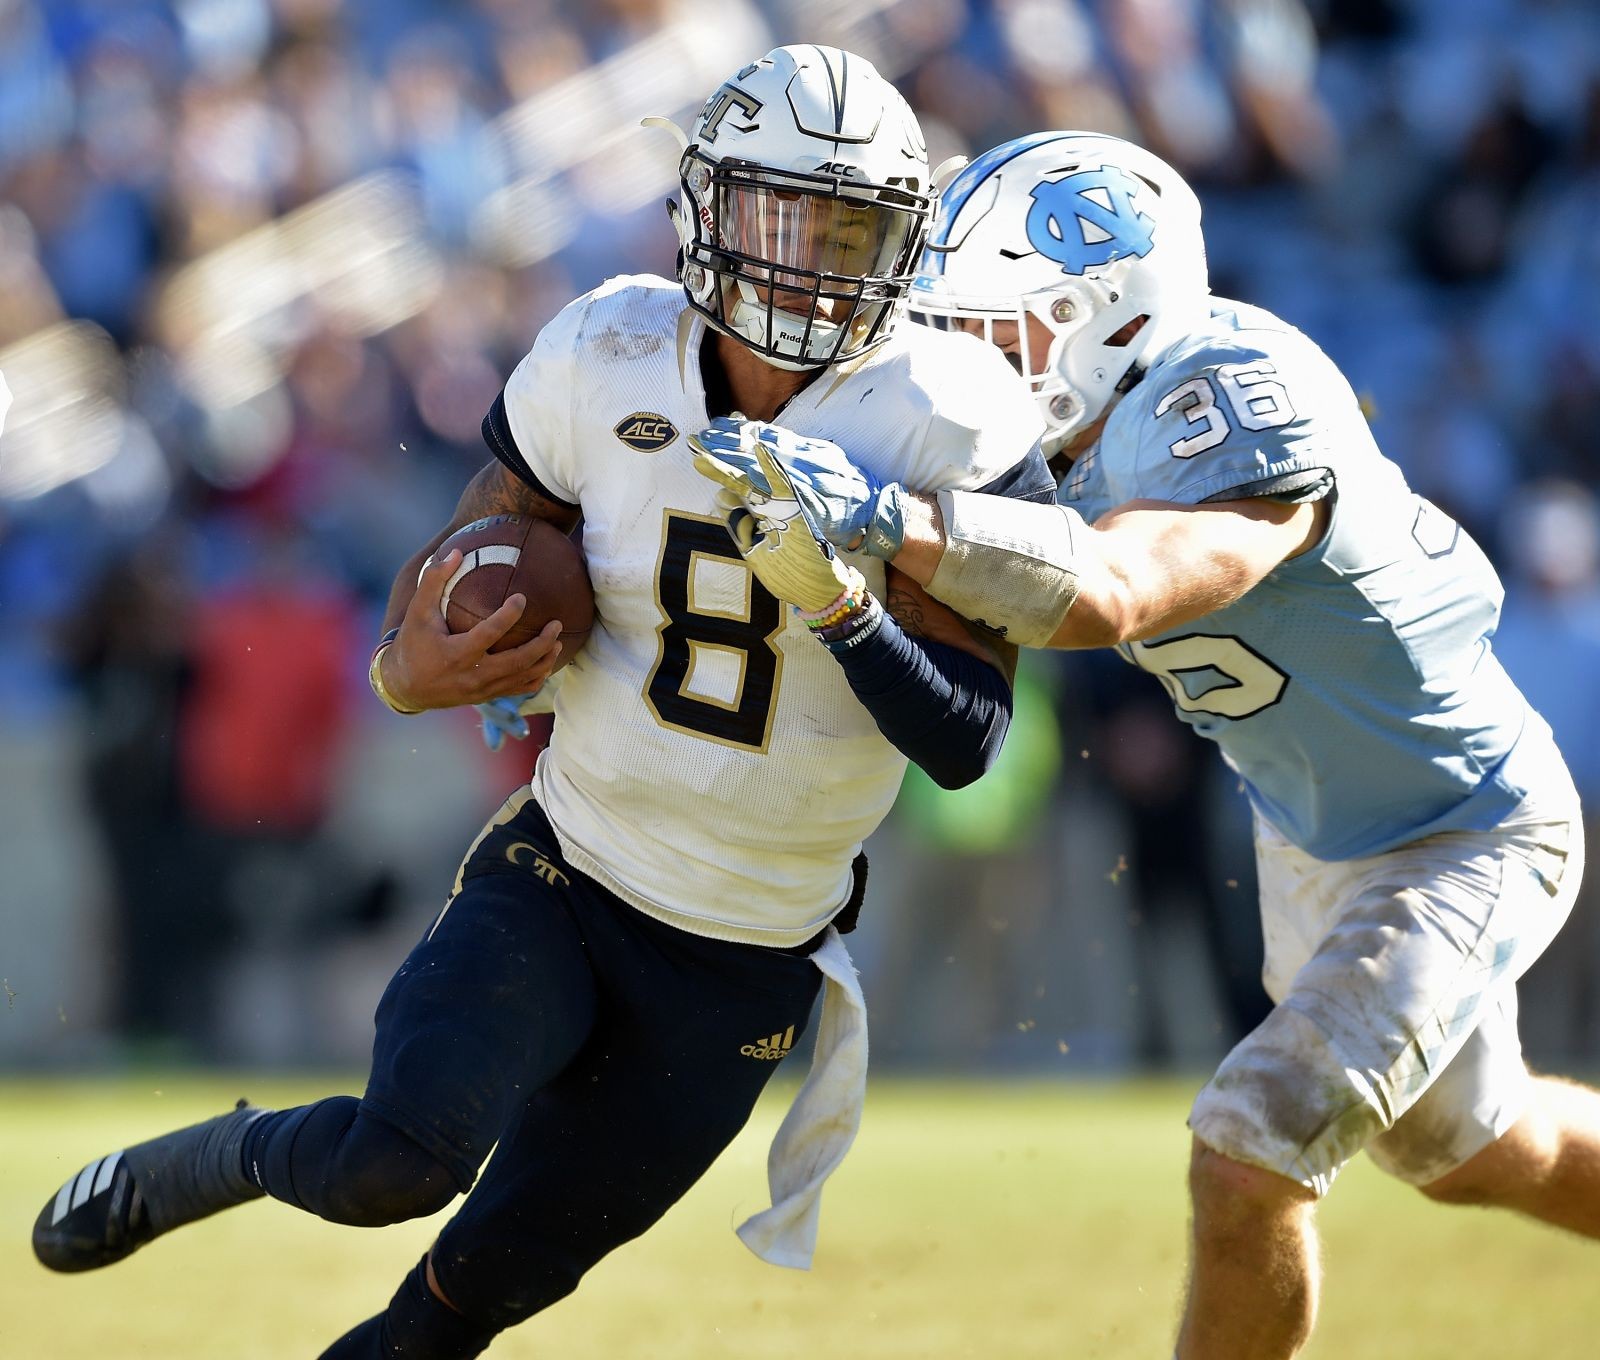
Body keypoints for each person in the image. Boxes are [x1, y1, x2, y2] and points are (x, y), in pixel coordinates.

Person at [32, 47, 1054, 1359]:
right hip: (568, 871)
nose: (805, 263)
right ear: (704, 211)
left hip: (749, 955)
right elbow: (465, 564)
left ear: (905, 243)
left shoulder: (953, 417)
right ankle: (209, 1161)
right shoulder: (609, 347)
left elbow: (966, 741)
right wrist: (413, 667)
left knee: (462, 1307)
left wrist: (846, 605)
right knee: (389, 1164)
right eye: (776, 218)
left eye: (845, 229)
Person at [693, 130, 1600, 1360]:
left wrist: (886, 519)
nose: (967, 360)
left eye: (997, 329)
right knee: (1472, 1151)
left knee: (1247, 1148)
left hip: (1461, 825)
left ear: (1104, 319)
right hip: (1307, 833)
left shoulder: (1226, 383)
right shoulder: (1051, 440)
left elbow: (1118, 587)